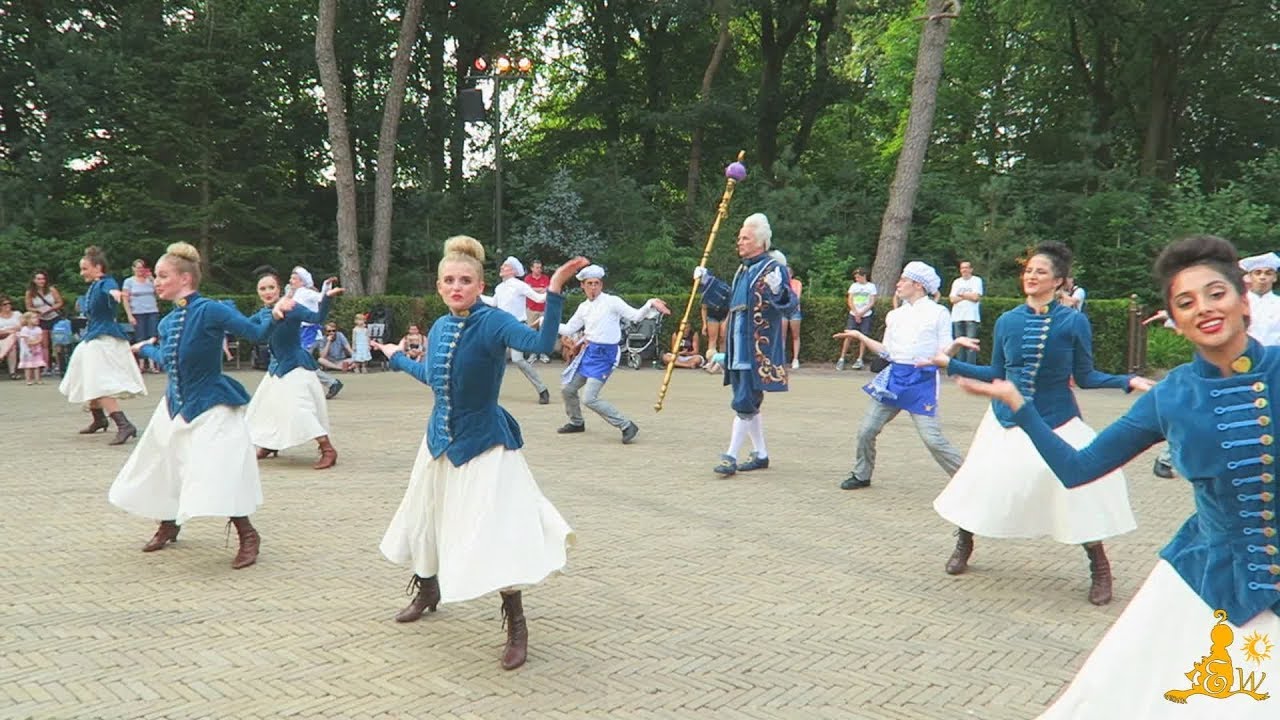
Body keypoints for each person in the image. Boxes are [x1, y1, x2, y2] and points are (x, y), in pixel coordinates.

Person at [956, 234, 1280, 719]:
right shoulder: (1170, 396)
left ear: (1243, 303)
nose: (1204, 308)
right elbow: (1078, 469)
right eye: (1186, 302)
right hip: (1213, 585)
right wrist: (1020, 407)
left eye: (1216, 293)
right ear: (1175, 321)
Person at [371, 235, 585, 671]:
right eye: (449, 280)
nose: (456, 287)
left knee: (494, 531)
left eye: (465, 280)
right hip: (438, 441)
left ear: (480, 285)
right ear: (438, 287)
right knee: (425, 519)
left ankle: (517, 624)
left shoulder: (494, 322)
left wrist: (554, 290)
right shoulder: (439, 326)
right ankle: (428, 588)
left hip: (484, 443)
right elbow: (433, 378)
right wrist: (396, 357)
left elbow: (542, 343)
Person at [927, 242, 1152, 605]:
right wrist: (950, 364)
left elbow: (1086, 376)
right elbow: (997, 372)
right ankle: (964, 542)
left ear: (1058, 281)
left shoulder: (1074, 321)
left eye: (1040, 271)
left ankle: (1099, 565)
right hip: (1006, 418)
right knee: (981, 482)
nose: (1031, 276)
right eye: (1029, 270)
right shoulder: (1008, 320)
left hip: (1055, 417)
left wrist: (1127, 381)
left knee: (1078, 486)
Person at [108, 242, 284, 568]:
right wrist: (144, 350)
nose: (156, 282)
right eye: (156, 276)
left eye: (163, 275)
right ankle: (169, 522)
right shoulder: (167, 322)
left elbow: (256, 332)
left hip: (211, 403)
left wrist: (274, 314)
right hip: (174, 405)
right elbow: (170, 360)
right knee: (163, 466)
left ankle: (248, 534)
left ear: (185, 278)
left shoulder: (210, 310)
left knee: (216, 468)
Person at [833, 261, 963, 490]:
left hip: (921, 381)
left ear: (918, 285)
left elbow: (945, 350)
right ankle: (862, 474)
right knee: (866, 430)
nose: (898, 284)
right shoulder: (894, 315)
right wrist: (860, 337)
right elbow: (887, 351)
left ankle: (968, 480)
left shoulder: (939, 313)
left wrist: (955, 346)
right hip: (893, 380)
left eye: (903, 280)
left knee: (933, 440)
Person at [695, 213, 798, 476]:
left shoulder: (773, 269)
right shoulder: (743, 269)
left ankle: (730, 456)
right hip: (738, 346)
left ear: (761, 242)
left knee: (744, 401)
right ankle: (761, 454)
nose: (739, 242)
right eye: (739, 238)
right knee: (748, 401)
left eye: (745, 238)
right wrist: (708, 282)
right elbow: (730, 299)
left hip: (757, 348)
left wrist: (779, 292)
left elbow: (790, 305)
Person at [557, 265, 670, 443]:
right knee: (568, 389)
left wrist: (650, 303)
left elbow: (635, 316)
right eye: (589, 283)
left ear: (601, 285)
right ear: (583, 286)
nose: (593, 287)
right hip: (589, 353)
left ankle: (626, 425)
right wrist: (547, 322)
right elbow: (569, 329)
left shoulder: (612, 301)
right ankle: (576, 422)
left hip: (606, 356)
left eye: (596, 283)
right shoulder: (583, 307)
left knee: (589, 398)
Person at [245, 268, 343, 470]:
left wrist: (327, 299)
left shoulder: (292, 306)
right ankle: (270, 444)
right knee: (266, 408)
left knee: (300, 409)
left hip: (296, 366)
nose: (267, 292)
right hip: (276, 369)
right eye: (263, 289)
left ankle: (327, 449)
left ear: (279, 288)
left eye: (271, 287)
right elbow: (247, 328)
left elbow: (317, 318)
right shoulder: (262, 314)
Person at [58, 246, 146, 445]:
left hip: (104, 339)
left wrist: (116, 294)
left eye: (85, 268)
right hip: (94, 337)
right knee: (85, 374)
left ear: (98, 267)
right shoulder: (95, 285)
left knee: (99, 380)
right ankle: (99, 418)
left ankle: (124, 424)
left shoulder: (107, 282)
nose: (82, 273)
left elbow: (112, 289)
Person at [484, 256, 551, 404]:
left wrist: (553, 291)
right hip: (500, 327)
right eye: (502, 265)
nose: (502, 267)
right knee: (492, 357)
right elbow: (494, 302)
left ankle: (542, 389)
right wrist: (477, 296)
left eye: (505, 266)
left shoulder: (519, 285)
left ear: (513, 271)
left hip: (516, 326)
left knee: (518, 359)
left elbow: (539, 298)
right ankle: (487, 391)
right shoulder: (499, 287)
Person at [290, 266, 343, 399]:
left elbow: (321, 298)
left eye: (294, 279)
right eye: (291, 278)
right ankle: (330, 383)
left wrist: (327, 285)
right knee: (303, 361)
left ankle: (330, 383)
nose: (291, 281)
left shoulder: (305, 292)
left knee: (301, 361)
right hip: (300, 332)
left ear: (302, 282)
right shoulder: (296, 293)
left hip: (309, 333)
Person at [122, 259, 161, 373]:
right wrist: (129, 315)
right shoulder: (129, 282)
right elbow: (125, 299)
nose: (140, 270)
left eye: (142, 268)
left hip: (152, 311)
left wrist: (153, 279)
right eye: (138, 268)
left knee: (152, 337)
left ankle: (153, 364)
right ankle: (141, 364)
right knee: (140, 337)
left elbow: (159, 293)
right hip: (137, 312)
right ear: (133, 269)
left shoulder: (150, 280)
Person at [837, 268, 877, 371]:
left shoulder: (871, 286)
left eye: (858, 277)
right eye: (855, 277)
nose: (856, 279)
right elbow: (850, 300)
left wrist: (862, 313)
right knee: (848, 335)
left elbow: (872, 302)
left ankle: (860, 359)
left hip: (866, 314)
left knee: (863, 336)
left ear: (864, 276)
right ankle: (842, 358)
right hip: (853, 314)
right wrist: (856, 313)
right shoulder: (854, 286)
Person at [25, 270, 64, 374]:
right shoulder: (30, 293)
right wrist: (38, 310)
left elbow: (60, 302)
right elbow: (28, 307)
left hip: (54, 317)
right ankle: (46, 366)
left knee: (57, 342)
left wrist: (50, 308)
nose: (41, 281)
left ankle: (60, 366)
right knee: (44, 344)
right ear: (34, 280)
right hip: (41, 319)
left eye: (43, 279)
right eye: (38, 279)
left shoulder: (51, 290)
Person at [1239, 252, 1280, 346]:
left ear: (1274, 278)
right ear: (1249, 277)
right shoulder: (1239, 302)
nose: (1262, 277)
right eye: (1257, 273)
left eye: (1268, 273)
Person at [948, 260, 983, 364]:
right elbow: (952, 299)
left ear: (971, 269)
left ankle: (970, 368)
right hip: (957, 317)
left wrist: (961, 295)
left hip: (971, 317)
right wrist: (968, 296)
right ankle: (960, 368)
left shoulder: (977, 280)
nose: (964, 270)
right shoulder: (956, 282)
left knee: (971, 345)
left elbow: (976, 297)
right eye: (962, 268)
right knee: (959, 345)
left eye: (966, 268)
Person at [524, 260, 552, 363]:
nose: (539, 269)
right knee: (531, 332)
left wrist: (534, 289)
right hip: (531, 309)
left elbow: (547, 290)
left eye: (540, 267)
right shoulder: (527, 278)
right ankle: (533, 354)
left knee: (543, 332)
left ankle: (543, 353)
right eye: (536, 267)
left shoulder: (545, 278)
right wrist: (540, 289)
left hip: (543, 309)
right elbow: (527, 290)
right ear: (532, 268)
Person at [17, 312, 47, 384]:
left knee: (37, 364)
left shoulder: (38, 329)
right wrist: (35, 342)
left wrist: (35, 342)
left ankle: (38, 379)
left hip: (37, 350)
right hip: (27, 350)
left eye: (37, 317)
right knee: (28, 365)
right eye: (34, 318)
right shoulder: (24, 329)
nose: (37, 319)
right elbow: (27, 341)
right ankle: (28, 380)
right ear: (27, 320)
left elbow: (40, 338)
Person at [784, 271, 803, 370]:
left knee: (795, 335)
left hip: (794, 310)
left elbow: (797, 297)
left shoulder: (797, 283)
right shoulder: (781, 283)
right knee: (782, 337)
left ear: (792, 274)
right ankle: (781, 358)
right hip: (783, 311)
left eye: (788, 272)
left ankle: (795, 359)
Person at [0, 296, 21, 379]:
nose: (8, 305)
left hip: (18, 338)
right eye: (5, 304)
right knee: (12, 346)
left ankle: (2, 355)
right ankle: (12, 372)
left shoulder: (17, 314)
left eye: (9, 303)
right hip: (2, 339)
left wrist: (9, 331)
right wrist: (9, 331)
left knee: (13, 339)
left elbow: (23, 325)